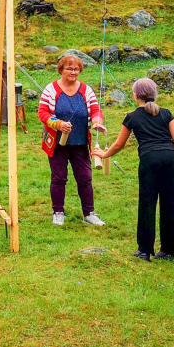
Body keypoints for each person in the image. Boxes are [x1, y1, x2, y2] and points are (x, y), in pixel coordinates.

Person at [96, 77, 174, 261]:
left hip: (149, 159)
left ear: (136, 95)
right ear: (154, 94)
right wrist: (164, 148)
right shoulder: (166, 113)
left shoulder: (132, 117)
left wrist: (104, 154)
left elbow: (119, 144)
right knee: (171, 202)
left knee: (147, 202)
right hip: (169, 158)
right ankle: (170, 250)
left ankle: (144, 250)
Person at [38, 54, 106, 226]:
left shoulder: (86, 90)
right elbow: (43, 113)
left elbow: (96, 110)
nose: (73, 72)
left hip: (80, 143)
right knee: (59, 178)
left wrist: (97, 123)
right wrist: (59, 124)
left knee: (85, 177)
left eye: (76, 69)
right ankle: (58, 212)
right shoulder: (51, 89)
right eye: (69, 68)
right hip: (57, 144)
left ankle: (89, 213)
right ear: (61, 70)